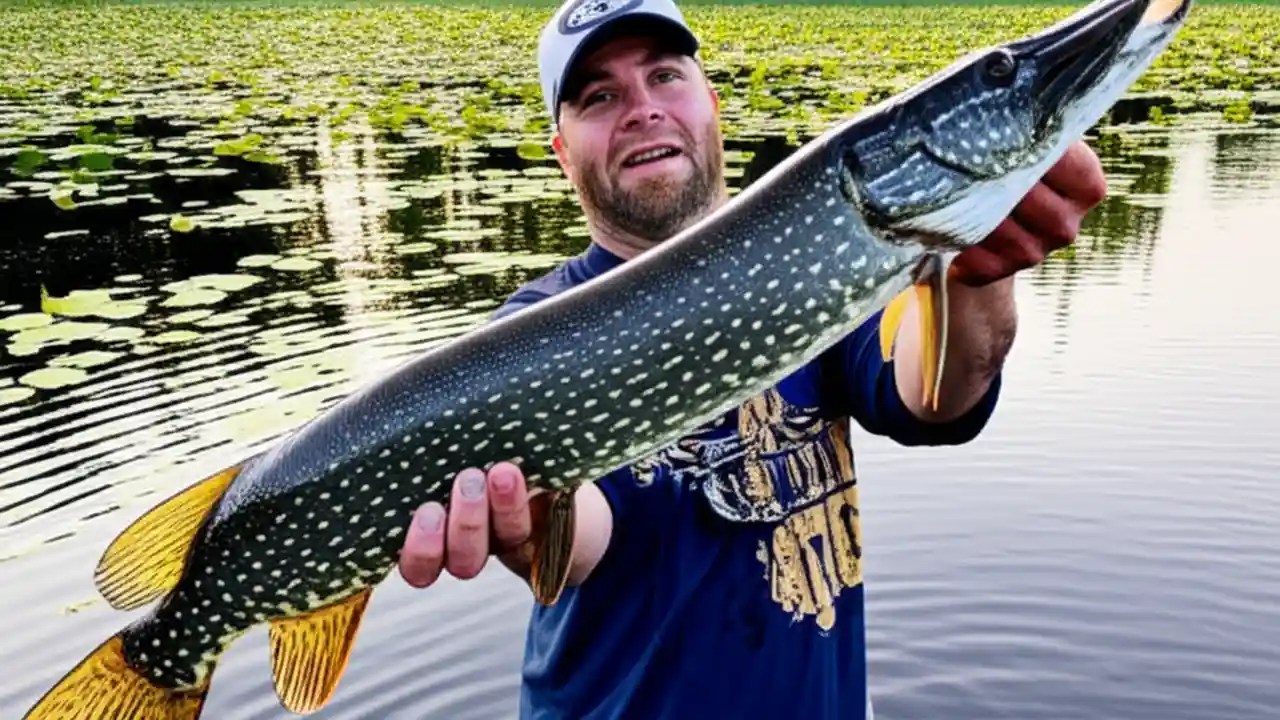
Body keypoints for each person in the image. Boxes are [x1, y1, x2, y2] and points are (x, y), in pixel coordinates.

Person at [397, 0, 1107, 717]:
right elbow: (582, 539)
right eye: (600, 96)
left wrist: (981, 270)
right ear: (563, 151)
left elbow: (935, 401)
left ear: (710, 103)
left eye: (665, 75)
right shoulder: (532, 335)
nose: (643, 109)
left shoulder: (828, 258)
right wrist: (528, 524)